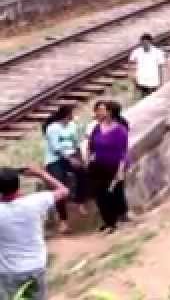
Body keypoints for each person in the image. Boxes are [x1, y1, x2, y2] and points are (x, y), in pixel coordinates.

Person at [0, 165, 69, 300]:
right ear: (18, 184)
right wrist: (41, 174)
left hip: (9, 272)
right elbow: (64, 190)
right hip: (36, 267)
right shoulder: (35, 202)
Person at [86, 101, 129, 233]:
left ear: (111, 112)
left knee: (110, 193)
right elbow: (91, 145)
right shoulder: (97, 128)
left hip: (112, 167)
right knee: (99, 195)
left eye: (106, 110)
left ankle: (113, 221)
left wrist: (120, 170)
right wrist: (89, 159)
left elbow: (123, 152)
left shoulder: (120, 130)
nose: (102, 113)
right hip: (97, 166)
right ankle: (107, 221)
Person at [41, 106, 83, 234]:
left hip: (70, 157)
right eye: (72, 114)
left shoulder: (72, 126)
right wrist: (70, 159)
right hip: (55, 160)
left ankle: (79, 201)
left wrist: (79, 159)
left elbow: (76, 144)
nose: (73, 116)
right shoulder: (52, 128)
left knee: (83, 173)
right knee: (59, 188)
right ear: (66, 115)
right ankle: (63, 221)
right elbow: (56, 148)